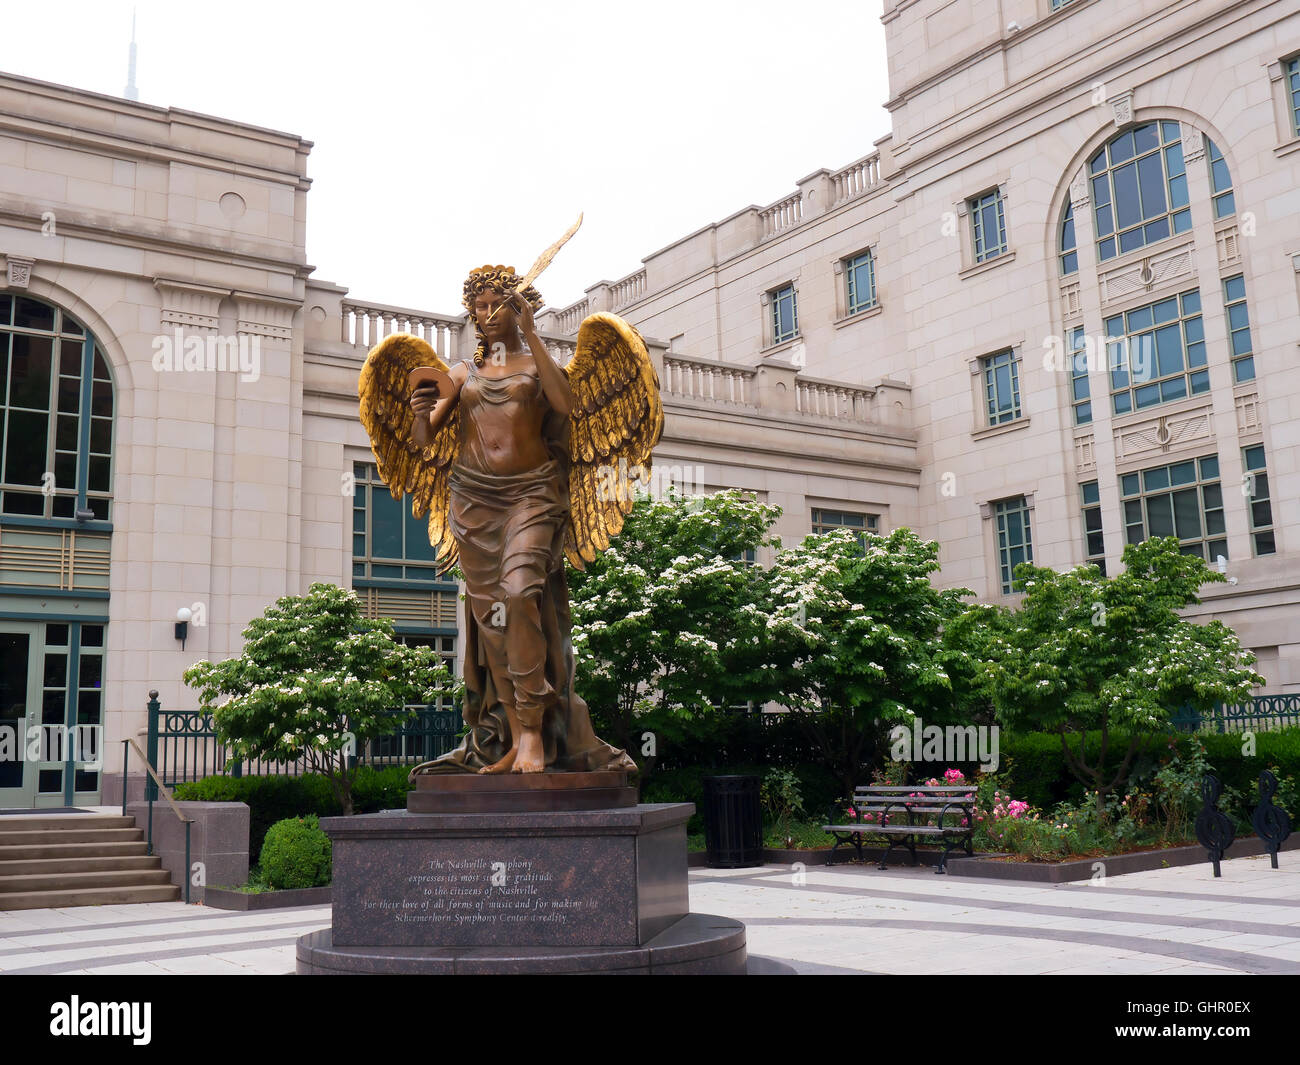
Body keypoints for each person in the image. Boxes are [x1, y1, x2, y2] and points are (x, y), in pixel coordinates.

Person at [408, 265, 635, 775]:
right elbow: (425, 445)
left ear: (517, 306)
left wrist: (532, 332)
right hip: (472, 501)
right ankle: (514, 737)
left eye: (497, 304)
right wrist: (421, 411)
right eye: (479, 306)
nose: (486, 315)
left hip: (532, 495)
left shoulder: (537, 367)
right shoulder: (463, 373)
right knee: (493, 623)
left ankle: (534, 732)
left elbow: (568, 404)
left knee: (518, 594)